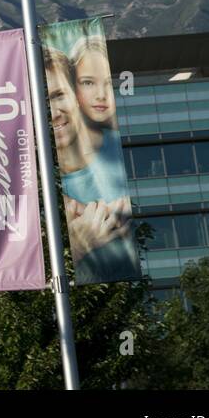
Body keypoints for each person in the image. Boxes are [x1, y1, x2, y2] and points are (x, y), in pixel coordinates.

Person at [44, 46, 136, 280]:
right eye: (41, 101)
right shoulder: (27, 184)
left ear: (76, 95)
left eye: (57, 95)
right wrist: (77, 248)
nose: (53, 112)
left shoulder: (124, 151)